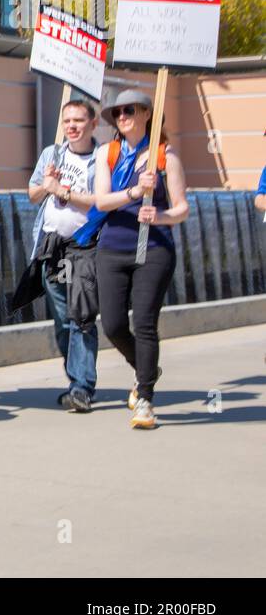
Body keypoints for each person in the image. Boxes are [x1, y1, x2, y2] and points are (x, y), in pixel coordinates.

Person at [75, 89, 188, 430]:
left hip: (154, 249)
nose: (122, 117)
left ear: (146, 115)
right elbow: (102, 201)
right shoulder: (108, 153)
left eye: (129, 110)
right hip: (113, 247)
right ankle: (146, 368)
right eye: (118, 112)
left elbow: (182, 209)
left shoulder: (167, 157)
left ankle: (145, 399)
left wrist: (161, 216)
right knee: (111, 324)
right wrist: (136, 192)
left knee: (144, 323)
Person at [27, 100, 100, 412]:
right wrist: (47, 186)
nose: (72, 126)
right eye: (67, 120)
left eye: (79, 120)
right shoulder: (51, 154)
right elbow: (32, 195)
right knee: (62, 319)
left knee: (81, 317)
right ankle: (75, 380)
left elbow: (102, 203)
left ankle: (82, 386)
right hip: (52, 248)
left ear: (93, 124)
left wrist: (64, 191)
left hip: (83, 247)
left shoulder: (101, 159)